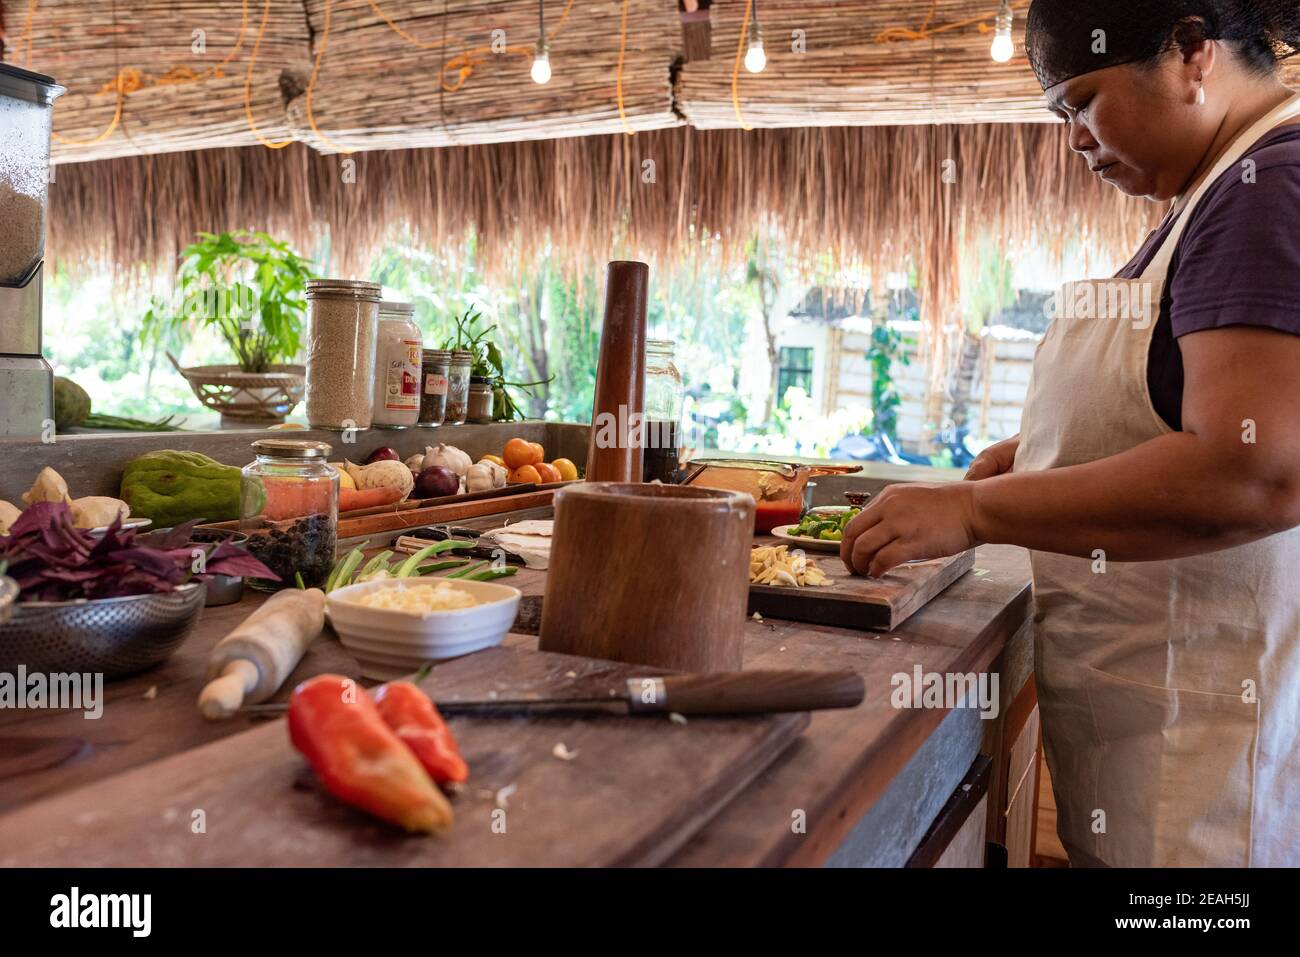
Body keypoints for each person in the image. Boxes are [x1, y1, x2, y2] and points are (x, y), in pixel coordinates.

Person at [840, 0, 1300, 867]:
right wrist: (1051, 453)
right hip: (1157, 741)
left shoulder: (1263, 188)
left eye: (1081, 101)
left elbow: (1257, 469)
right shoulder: (1211, 196)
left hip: (1204, 773)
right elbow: (1174, 411)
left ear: (1191, 50)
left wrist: (978, 510)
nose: (1077, 139)